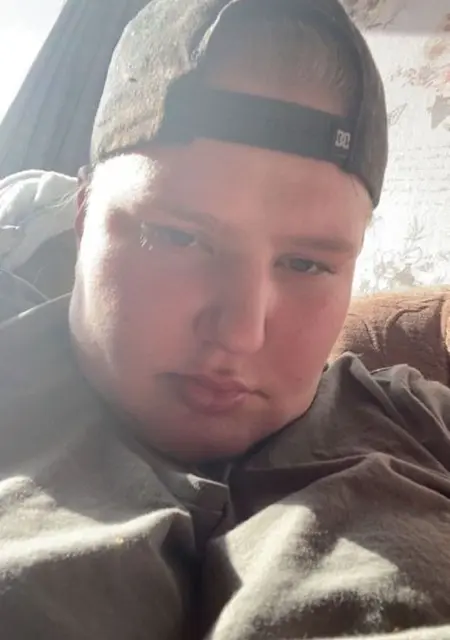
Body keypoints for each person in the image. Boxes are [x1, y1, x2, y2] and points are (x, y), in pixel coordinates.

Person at [1, 0, 450, 638]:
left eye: (307, 263)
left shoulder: (422, 423)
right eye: (178, 237)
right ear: (82, 218)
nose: (241, 333)